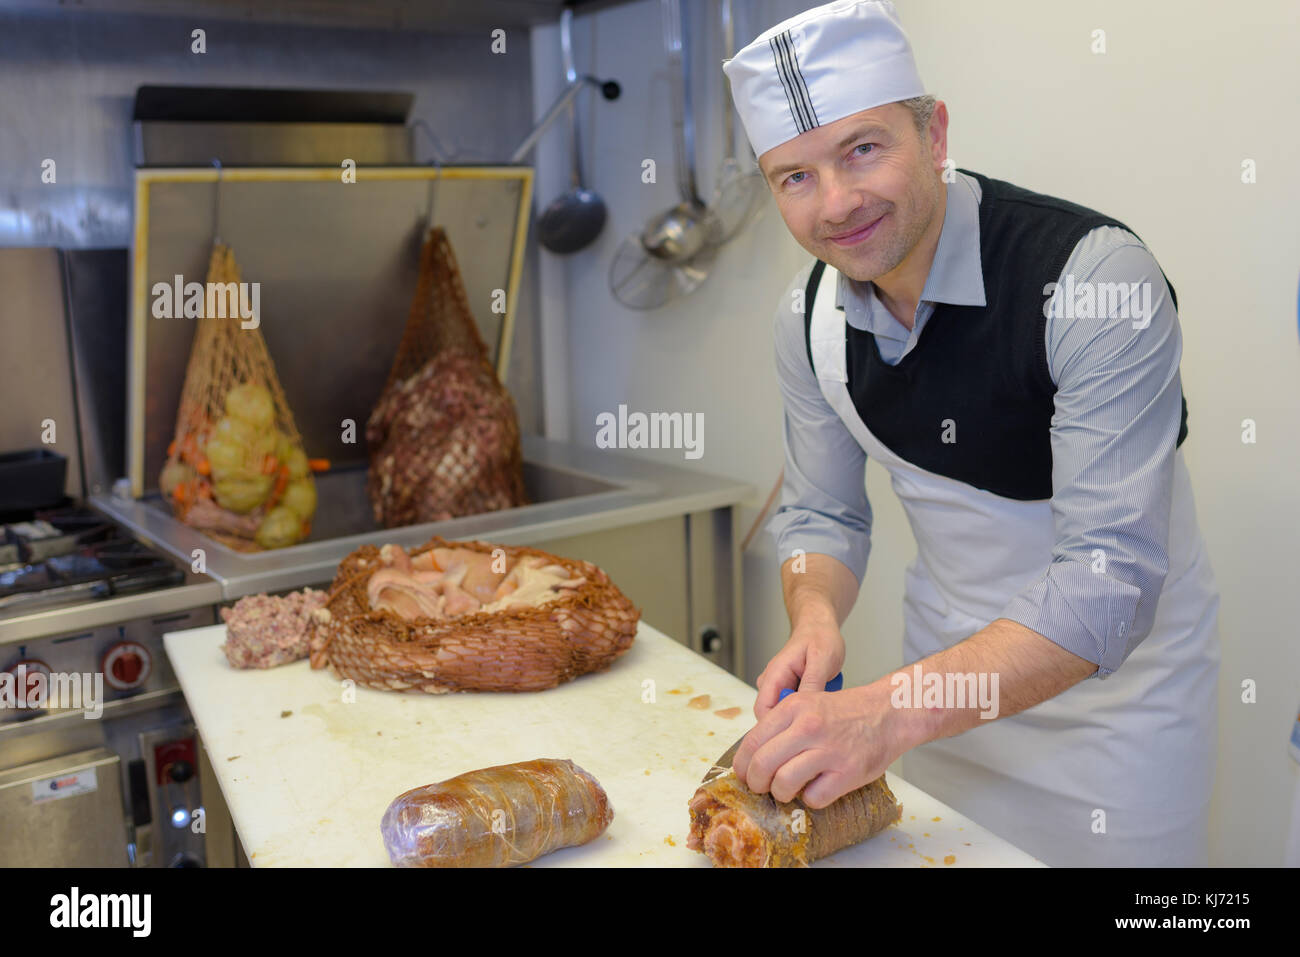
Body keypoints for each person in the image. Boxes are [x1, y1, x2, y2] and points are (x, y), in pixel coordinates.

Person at [722, 0, 1220, 866]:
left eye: (863, 149)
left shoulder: (1095, 281)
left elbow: (1108, 586)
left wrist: (884, 712)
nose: (836, 204)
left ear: (936, 131)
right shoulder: (806, 320)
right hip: (944, 706)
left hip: (1120, 717)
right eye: (794, 176)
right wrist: (814, 614)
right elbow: (823, 515)